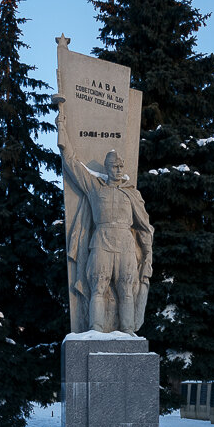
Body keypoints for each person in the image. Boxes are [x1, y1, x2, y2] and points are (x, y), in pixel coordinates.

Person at [56, 106, 153, 334]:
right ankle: (95, 328)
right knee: (98, 286)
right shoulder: (95, 188)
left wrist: (147, 254)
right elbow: (70, 161)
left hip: (126, 244)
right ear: (107, 168)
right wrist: (61, 127)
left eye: (121, 166)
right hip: (101, 240)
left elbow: (144, 226)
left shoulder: (132, 194)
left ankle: (128, 330)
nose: (118, 169)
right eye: (114, 166)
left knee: (126, 289)